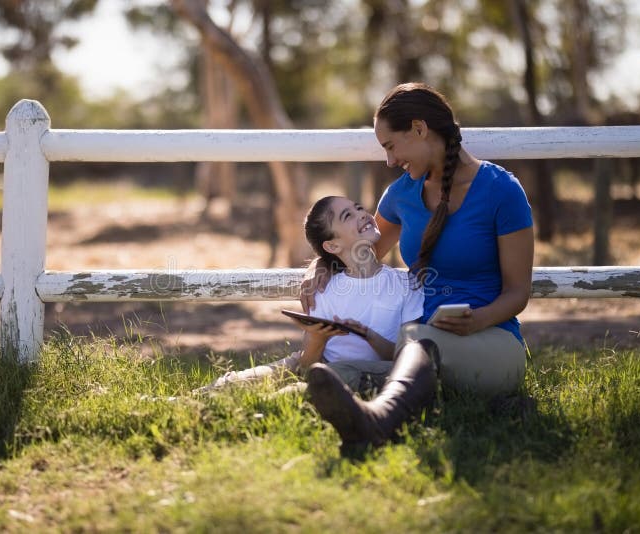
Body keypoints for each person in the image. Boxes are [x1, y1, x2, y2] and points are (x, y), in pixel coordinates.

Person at [302, 82, 534, 454]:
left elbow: (518, 292)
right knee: (341, 371)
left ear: (420, 129)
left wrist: (477, 320)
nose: (390, 161)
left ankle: (376, 422)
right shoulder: (402, 194)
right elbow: (363, 251)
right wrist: (323, 267)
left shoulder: (502, 191)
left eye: (391, 146)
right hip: (414, 345)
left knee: (416, 341)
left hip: (491, 342)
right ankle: (375, 408)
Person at [204, 195, 427, 396]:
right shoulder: (325, 288)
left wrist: (368, 335)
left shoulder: (406, 284)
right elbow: (306, 364)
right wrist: (319, 337)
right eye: (348, 215)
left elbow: (406, 356)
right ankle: (190, 399)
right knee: (246, 379)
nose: (362, 214)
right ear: (332, 245)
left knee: (311, 385)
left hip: (367, 372)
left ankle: (277, 401)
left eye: (359, 208)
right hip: (320, 363)